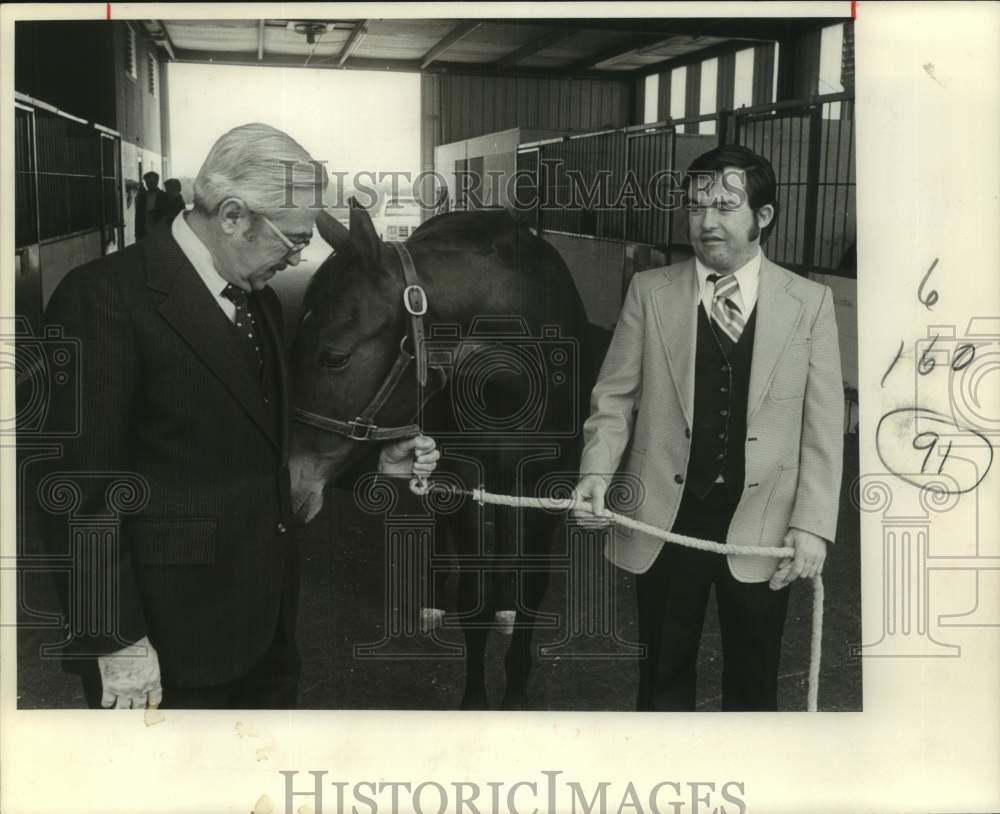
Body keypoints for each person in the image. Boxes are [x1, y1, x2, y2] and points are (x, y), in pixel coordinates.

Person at [43, 123, 439, 710]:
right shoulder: (103, 298)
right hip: (164, 643)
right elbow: (79, 491)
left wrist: (372, 467)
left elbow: (256, 447)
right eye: (294, 239)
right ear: (232, 216)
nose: (299, 257)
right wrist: (115, 638)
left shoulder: (261, 302)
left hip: (267, 632)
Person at [573, 144, 843, 711]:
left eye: (724, 206)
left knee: (753, 684)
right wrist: (596, 472)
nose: (707, 222)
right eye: (697, 207)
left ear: (762, 217)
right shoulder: (651, 292)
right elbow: (614, 398)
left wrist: (813, 524)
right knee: (663, 678)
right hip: (668, 522)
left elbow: (821, 426)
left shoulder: (809, 303)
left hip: (764, 523)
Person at [134, 170, 166, 240]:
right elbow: (138, 216)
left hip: (159, 232)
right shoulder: (142, 197)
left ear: (157, 182)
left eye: (152, 182)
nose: (149, 184)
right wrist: (137, 233)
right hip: (144, 232)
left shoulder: (164, 196)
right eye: (147, 182)